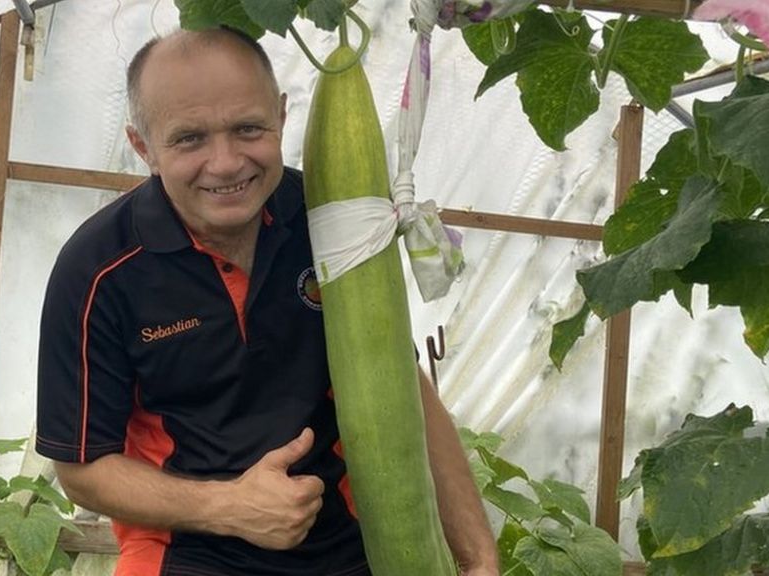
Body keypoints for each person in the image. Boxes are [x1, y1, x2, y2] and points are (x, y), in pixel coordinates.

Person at [36, 26, 499, 576]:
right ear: (144, 147)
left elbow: (398, 384)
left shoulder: (332, 221)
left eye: (248, 128)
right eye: (190, 139)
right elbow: (82, 469)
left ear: (281, 116)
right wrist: (228, 507)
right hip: (184, 553)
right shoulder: (97, 270)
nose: (227, 162)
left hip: (353, 549)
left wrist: (478, 558)